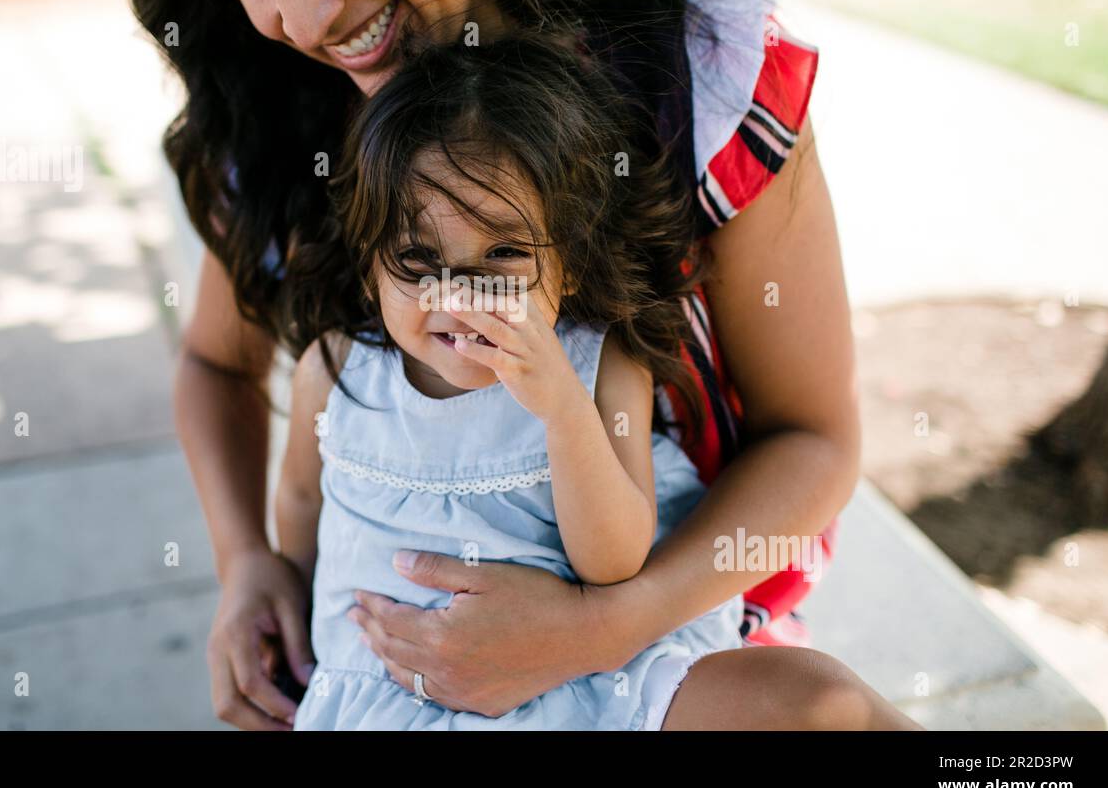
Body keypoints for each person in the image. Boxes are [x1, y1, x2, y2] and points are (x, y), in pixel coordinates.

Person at [118, 0, 870, 729]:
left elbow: (812, 441)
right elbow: (217, 364)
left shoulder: (695, 76)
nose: (302, 15)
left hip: (670, 649)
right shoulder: (276, 116)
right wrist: (247, 561)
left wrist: (600, 629)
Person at [275, 35, 914, 729]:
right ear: (371, 264)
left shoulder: (598, 365)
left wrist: (561, 409)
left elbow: (613, 561)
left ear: (570, 263)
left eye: (505, 253)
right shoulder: (338, 371)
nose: (457, 292)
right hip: (395, 699)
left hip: (593, 690)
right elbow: (303, 501)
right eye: (417, 258)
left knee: (816, 699)